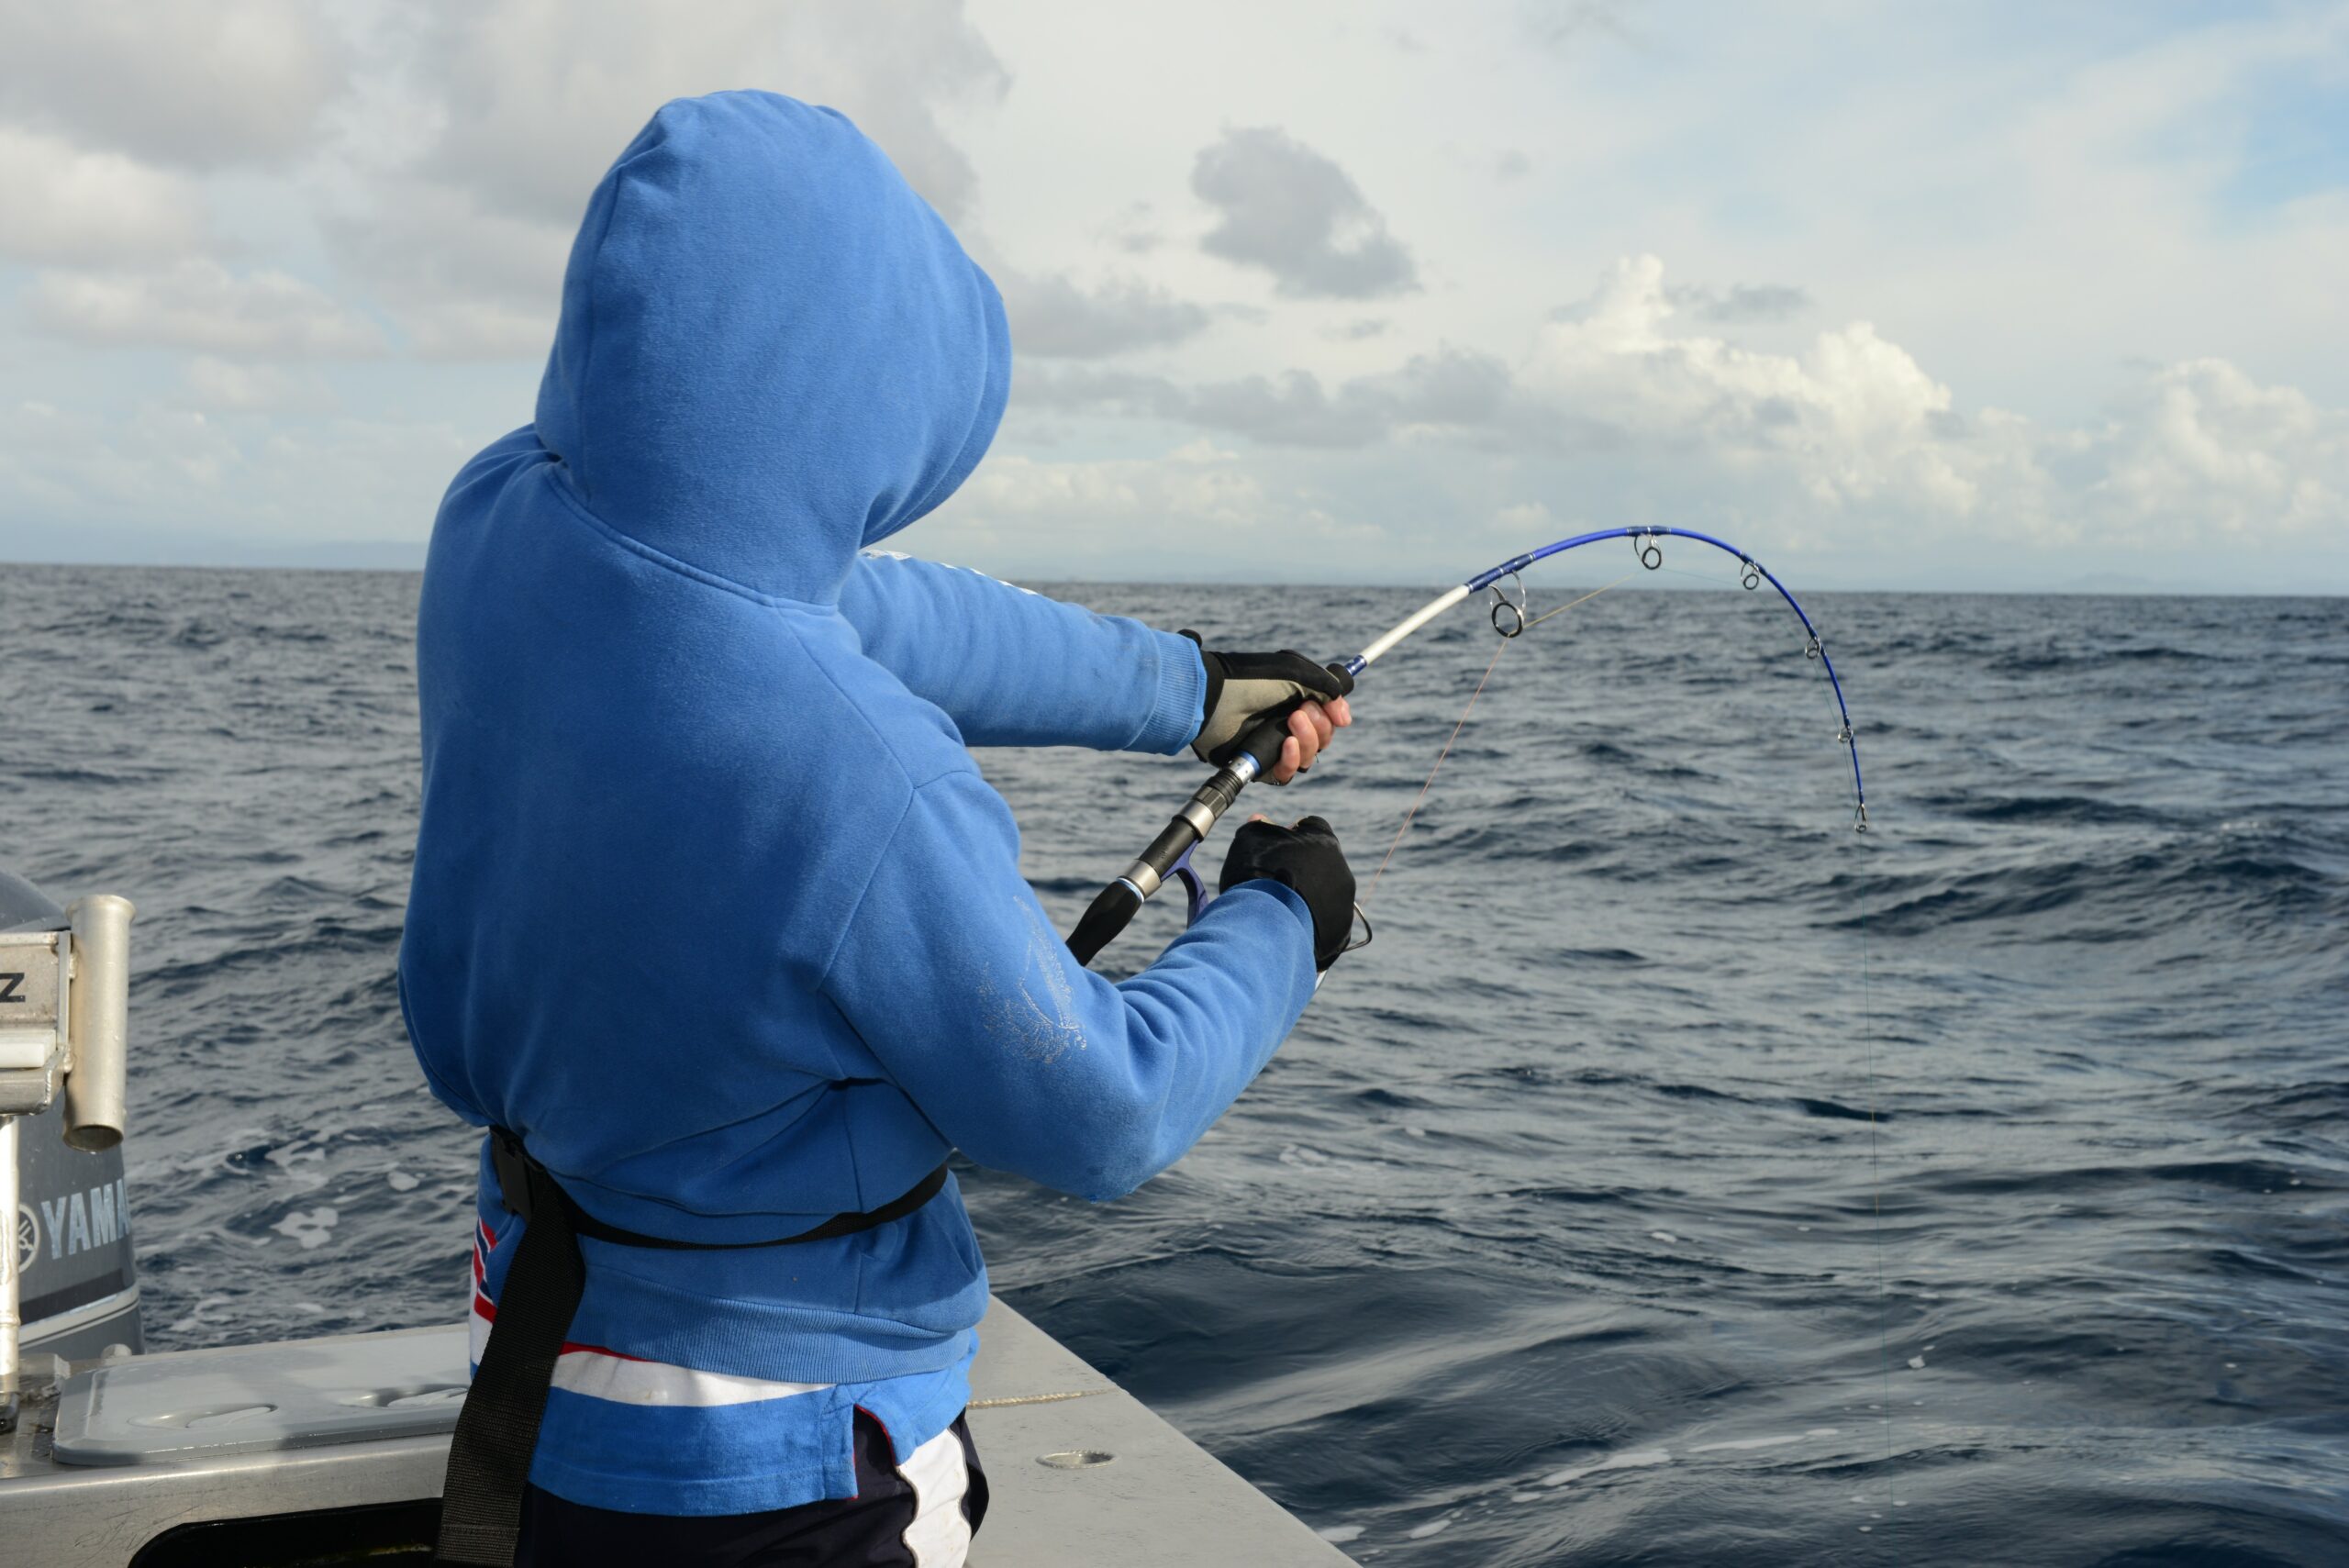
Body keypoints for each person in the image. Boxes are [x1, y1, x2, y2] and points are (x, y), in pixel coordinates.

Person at [397, 91, 1358, 1568]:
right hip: (790, 1472)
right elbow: (1103, 1109)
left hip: (536, 1388)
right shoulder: (858, 776)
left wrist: (1192, 690)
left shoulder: (502, 523)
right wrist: (1282, 915)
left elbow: (839, 603)